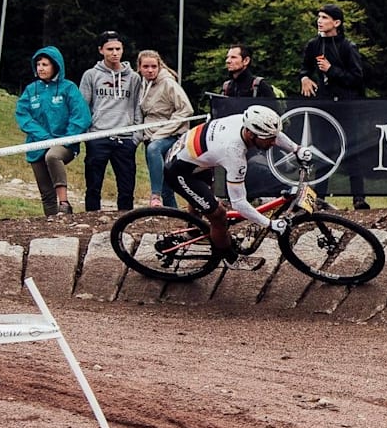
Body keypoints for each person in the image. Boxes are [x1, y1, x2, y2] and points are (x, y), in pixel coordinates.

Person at [164, 105, 315, 268]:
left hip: (193, 156)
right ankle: (231, 258)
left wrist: (296, 149)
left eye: (274, 137)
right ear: (250, 134)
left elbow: (274, 134)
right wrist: (269, 224)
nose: (273, 142)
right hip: (179, 170)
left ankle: (194, 231)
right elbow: (238, 202)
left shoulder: (246, 122)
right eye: (269, 139)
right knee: (218, 215)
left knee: (205, 200)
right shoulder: (234, 153)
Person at [298, 3, 370, 209]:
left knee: (352, 150)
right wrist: (304, 78)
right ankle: (317, 199)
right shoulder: (313, 45)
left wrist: (331, 70)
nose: (319, 21)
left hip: (347, 107)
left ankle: (359, 198)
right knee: (321, 151)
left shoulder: (348, 46)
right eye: (319, 17)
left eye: (325, 17)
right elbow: (305, 68)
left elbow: (357, 78)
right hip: (324, 106)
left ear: (336, 22)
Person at [15, 45, 91, 216]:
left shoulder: (68, 88)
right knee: (45, 192)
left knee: (53, 155)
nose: (41, 68)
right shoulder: (31, 90)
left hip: (64, 143)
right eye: (38, 64)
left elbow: (81, 116)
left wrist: (67, 138)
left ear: (55, 66)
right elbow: (23, 115)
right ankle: (52, 224)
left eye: (45, 64)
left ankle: (64, 203)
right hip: (37, 144)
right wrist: (44, 137)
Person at [78, 30, 144, 213]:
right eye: (110, 49)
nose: (114, 53)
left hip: (125, 137)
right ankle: (91, 219)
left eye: (118, 49)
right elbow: (83, 106)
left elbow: (138, 106)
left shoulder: (134, 78)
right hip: (98, 136)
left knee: (126, 187)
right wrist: (87, 135)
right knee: (93, 185)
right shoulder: (91, 75)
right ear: (101, 50)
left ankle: (125, 221)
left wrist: (136, 137)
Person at [136, 50, 194, 208]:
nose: (150, 70)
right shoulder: (142, 84)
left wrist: (162, 132)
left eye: (154, 66)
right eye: (146, 66)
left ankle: (155, 195)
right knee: (166, 184)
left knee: (154, 149)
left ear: (159, 66)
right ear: (140, 68)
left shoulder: (168, 83)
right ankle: (173, 217)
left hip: (170, 135)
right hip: (149, 134)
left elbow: (186, 109)